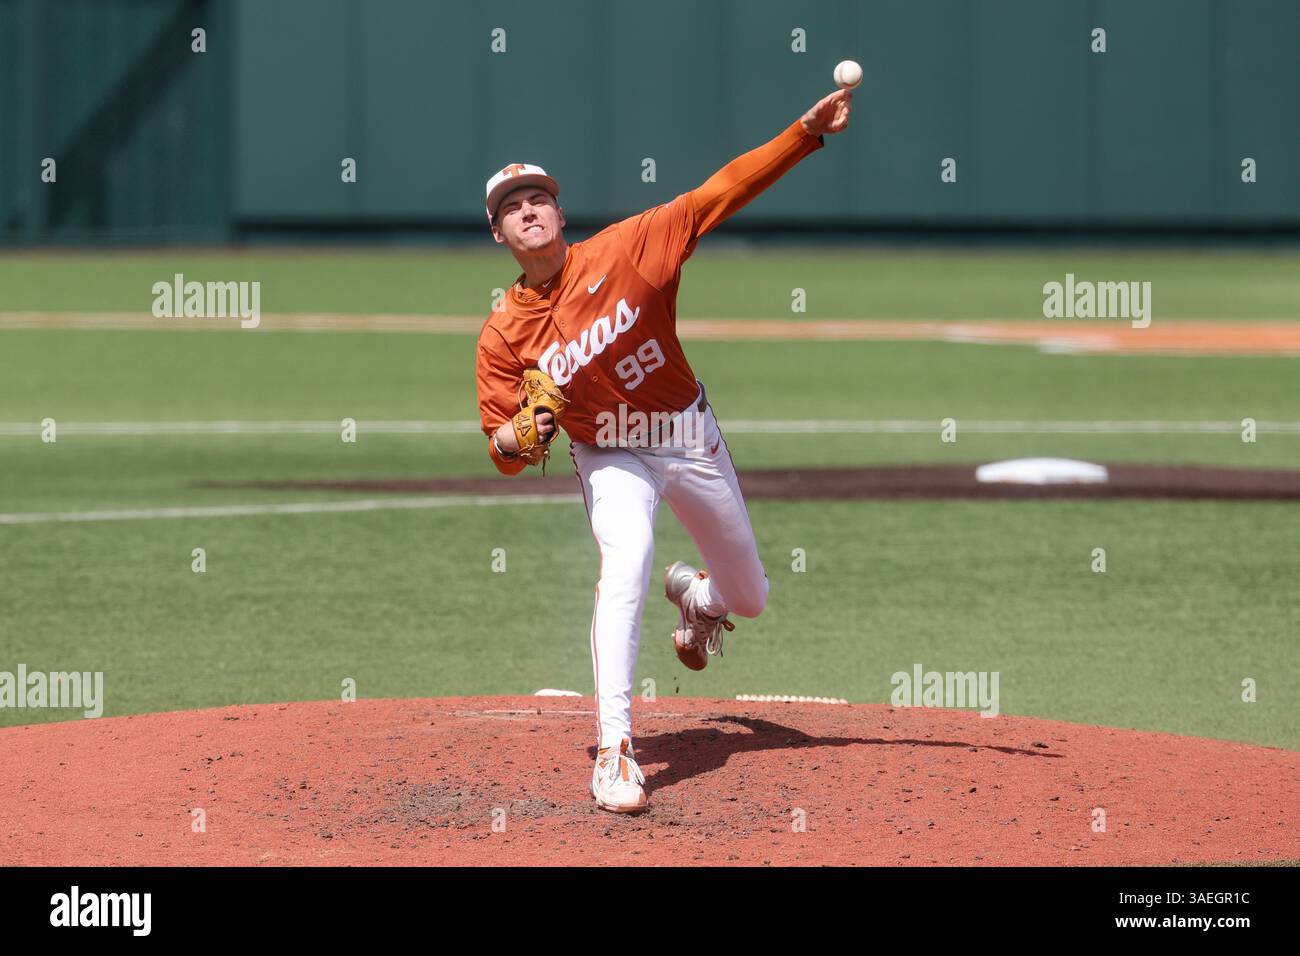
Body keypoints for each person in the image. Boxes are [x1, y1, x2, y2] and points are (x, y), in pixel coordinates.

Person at [475, 89, 852, 813]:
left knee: (752, 596)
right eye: (511, 206)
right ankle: (615, 751)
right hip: (606, 452)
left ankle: (701, 600)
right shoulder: (502, 337)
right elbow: (499, 446)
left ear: (559, 213)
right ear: (499, 235)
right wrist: (518, 439)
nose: (528, 210)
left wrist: (804, 133)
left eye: (538, 199)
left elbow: (723, 190)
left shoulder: (629, 248)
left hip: (684, 433)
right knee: (626, 560)